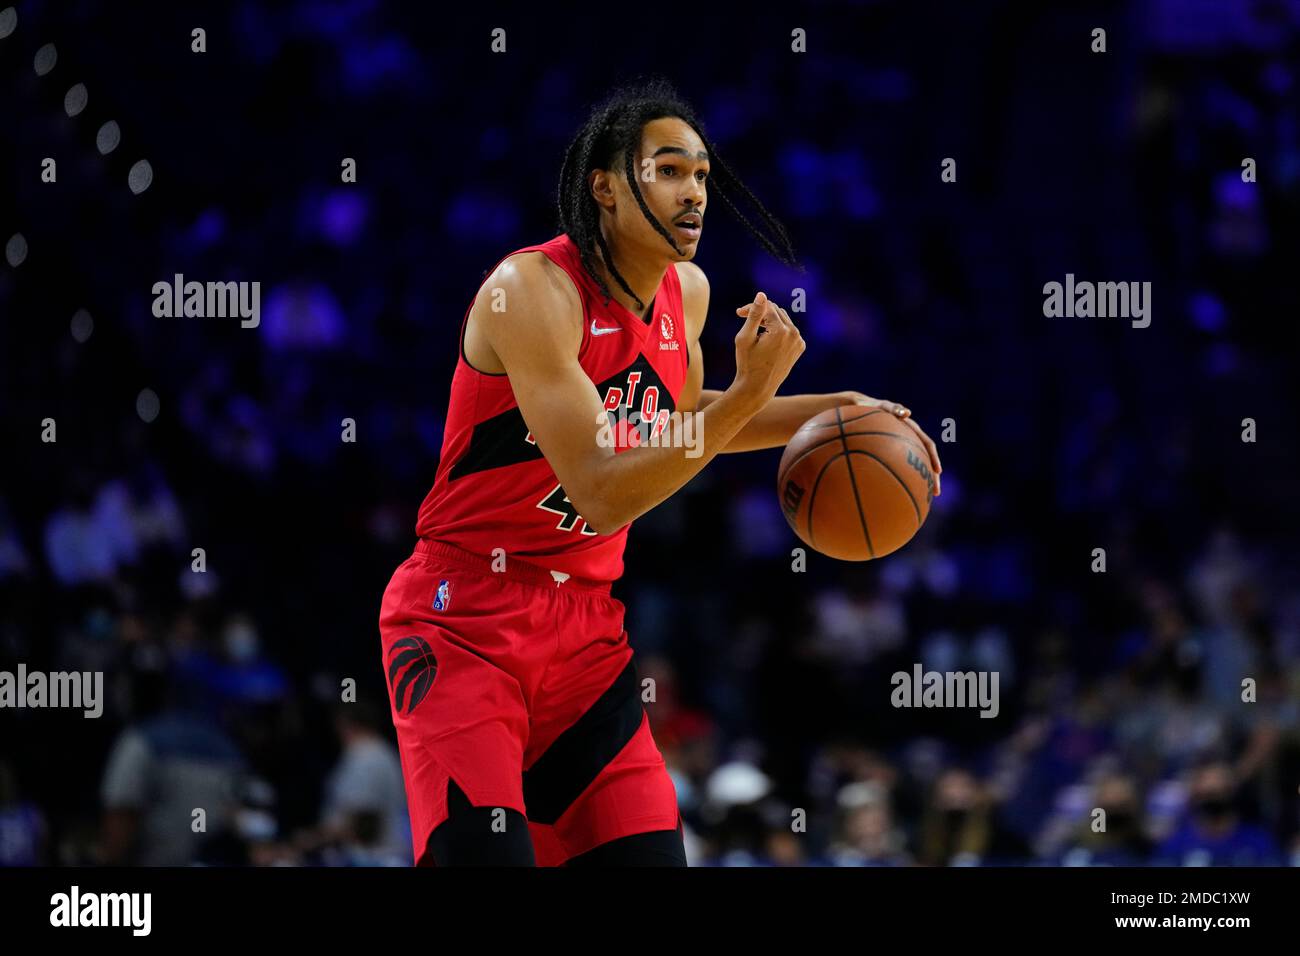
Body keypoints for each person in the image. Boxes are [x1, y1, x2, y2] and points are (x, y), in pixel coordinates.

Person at [378, 77, 941, 867]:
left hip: (585, 638)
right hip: (464, 619)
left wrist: (838, 413)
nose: (695, 194)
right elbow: (603, 490)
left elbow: (683, 427)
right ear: (605, 187)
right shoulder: (530, 290)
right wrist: (750, 392)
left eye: (704, 176)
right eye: (670, 171)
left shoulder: (688, 293)